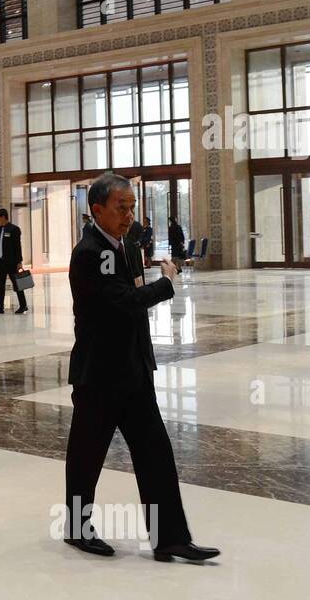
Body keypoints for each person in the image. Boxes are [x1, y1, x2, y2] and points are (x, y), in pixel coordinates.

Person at [62, 172, 219, 564]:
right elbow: (123, 303)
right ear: (97, 210)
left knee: (156, 453)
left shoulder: (128, 247)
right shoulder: (89, 252)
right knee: (87, 455)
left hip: (132, 371)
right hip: (99, 374)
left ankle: (170, 538)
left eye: (132, 208)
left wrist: (145, 359)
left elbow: (131, 305)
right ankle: (77, 529)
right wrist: (166, 283)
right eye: (121, 208)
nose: (129, 215)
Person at [0, 208, 29, 314]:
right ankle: (0, 307)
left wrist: (19, 261)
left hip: (12, 263)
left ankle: (23, 305)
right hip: (0, 263)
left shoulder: (14, 229)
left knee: (17, 284)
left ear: (3, 217)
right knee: (0, 286)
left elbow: (17, 247)